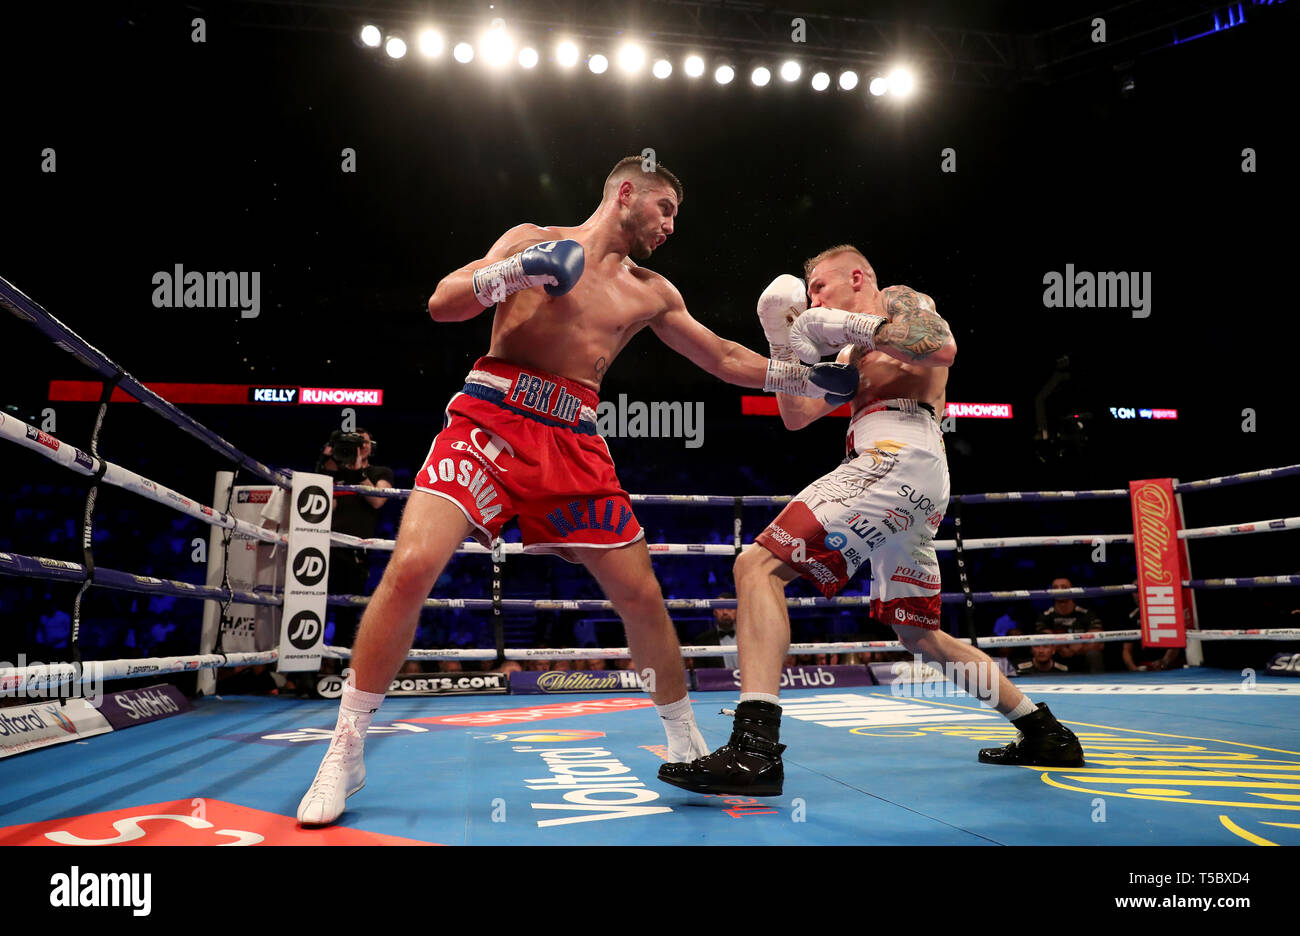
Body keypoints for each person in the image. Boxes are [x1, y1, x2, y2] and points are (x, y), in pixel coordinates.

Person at [297, 157, 857, 824]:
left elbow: (725, 356)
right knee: (413, 565)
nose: (672, 224)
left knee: (642, 595)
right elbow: (443, 302)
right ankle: (346, 747)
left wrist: (805, 382)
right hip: (490, 415)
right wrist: (517, 272)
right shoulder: (533, 235)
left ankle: (683, 734)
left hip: (574, 440)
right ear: (626, 194)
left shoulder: (653, 291)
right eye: (665, 208)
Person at [659, 244, 1084, 796]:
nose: (813, 299)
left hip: (898, 450)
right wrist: (782, 337)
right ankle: (1045, 732)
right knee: (919, 633)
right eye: (810, 293)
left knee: (757, 568)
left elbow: (942, 348)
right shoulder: (846, 354)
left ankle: (754, 750)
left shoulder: (903, 302)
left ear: (857, 277)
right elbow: (796, 415)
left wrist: (843, 322)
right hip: (902, 470)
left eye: (819, 288)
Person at [319, 428, 395, 647]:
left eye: (364, 442)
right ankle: (307, 673)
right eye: (355, 443)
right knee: (316, 609)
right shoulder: (334, 472)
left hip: (355, 554)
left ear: (371, 446)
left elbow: (378, 501)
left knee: (347, 615)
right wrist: (327, 460)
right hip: (324, 549)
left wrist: (358, 469)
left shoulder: (380, 472)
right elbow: (323, 506)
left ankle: (344, 670)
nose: (360, 447)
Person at [1036, 577, 1105, 673]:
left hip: (1081, 656)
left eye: (1063, 587)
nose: (1059, 590)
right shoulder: (1045, 616)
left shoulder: (1086, 615)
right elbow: (1045, 640)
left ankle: (1099, 683)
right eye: (1055, 588)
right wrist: (1064, 645)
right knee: (1043, 652)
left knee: (1094, 654)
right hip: (1057, 656)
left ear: (1072, 590)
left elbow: (1098, 641)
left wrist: (1079, 649)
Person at [692, 592, 739, 668]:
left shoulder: (750, 638)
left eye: (730, 607)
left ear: (736, 610)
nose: (725, 612)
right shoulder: (702, 640)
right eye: (720, 608)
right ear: (714, 612)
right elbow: (700, 674)